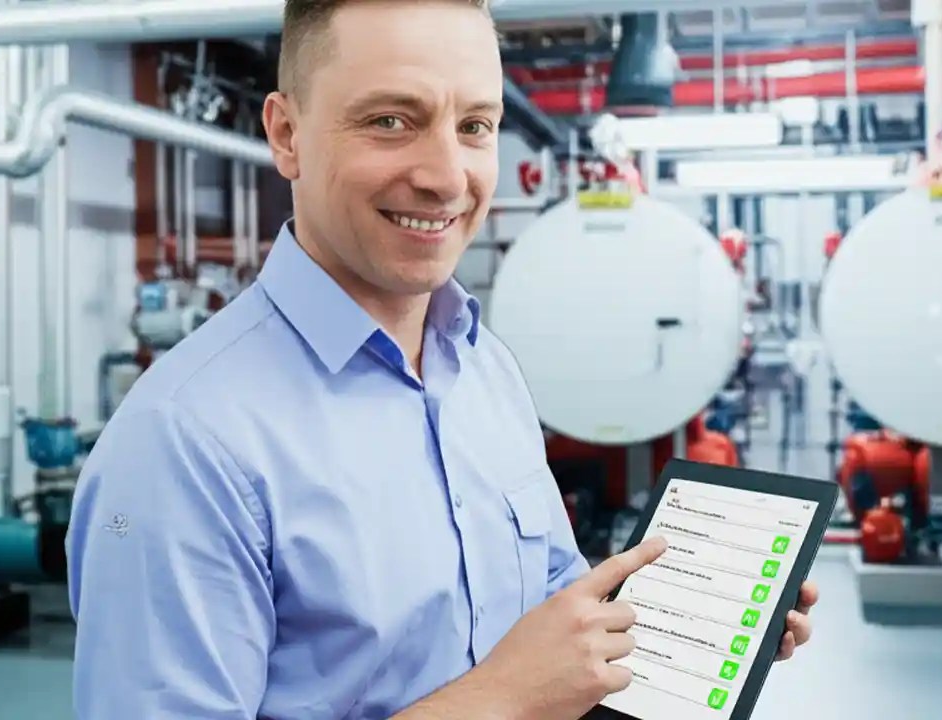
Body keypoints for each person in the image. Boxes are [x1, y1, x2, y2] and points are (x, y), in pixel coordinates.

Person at [65, 1, 819, 718]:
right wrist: (504, 699)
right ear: (287, 133)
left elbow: (546, 604)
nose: (447, 176)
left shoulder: (483, 367)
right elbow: (517, 685)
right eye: (391, 121)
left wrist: (681, 627)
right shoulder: (185, 441)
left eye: (475, 125)